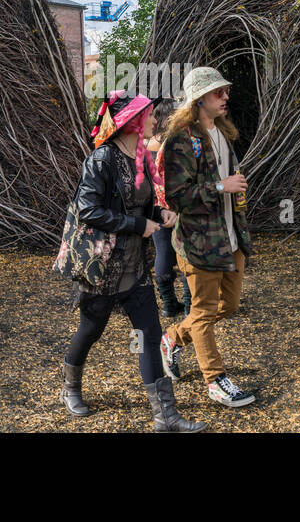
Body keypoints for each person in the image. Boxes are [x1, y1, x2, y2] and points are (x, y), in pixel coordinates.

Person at [60, 90, 205, 432]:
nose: (156, 119)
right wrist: (141, 225)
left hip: (135, 268)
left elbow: (140, 202)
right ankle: (70, 387)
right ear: (132, 122)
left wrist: (161, 212)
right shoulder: (101, 160)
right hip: (103, 269)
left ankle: (165, 417)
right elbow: (89, 210)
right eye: (150, 115)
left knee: (149, 334)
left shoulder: (140, 155)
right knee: (91, 330)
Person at [158, 67, 256, 408]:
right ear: (199, 99)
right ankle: (215, 380)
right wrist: (220, 186)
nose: (225, 96)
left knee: (226, 306)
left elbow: (228, 179)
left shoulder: (223, 133)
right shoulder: (182, 140)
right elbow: (177, 197)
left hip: (230, 238)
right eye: (218, 92)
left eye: (225, 91)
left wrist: (236, 188)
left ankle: (171, 338)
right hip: (199, 243)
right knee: (202, 312)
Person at [148, 99, 190, 319]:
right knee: (184, 252)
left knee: (162, 251)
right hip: (177, 206)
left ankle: (168, 304)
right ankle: (189, 305)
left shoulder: (149, 144)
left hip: (156, 206)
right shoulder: (178, 143)